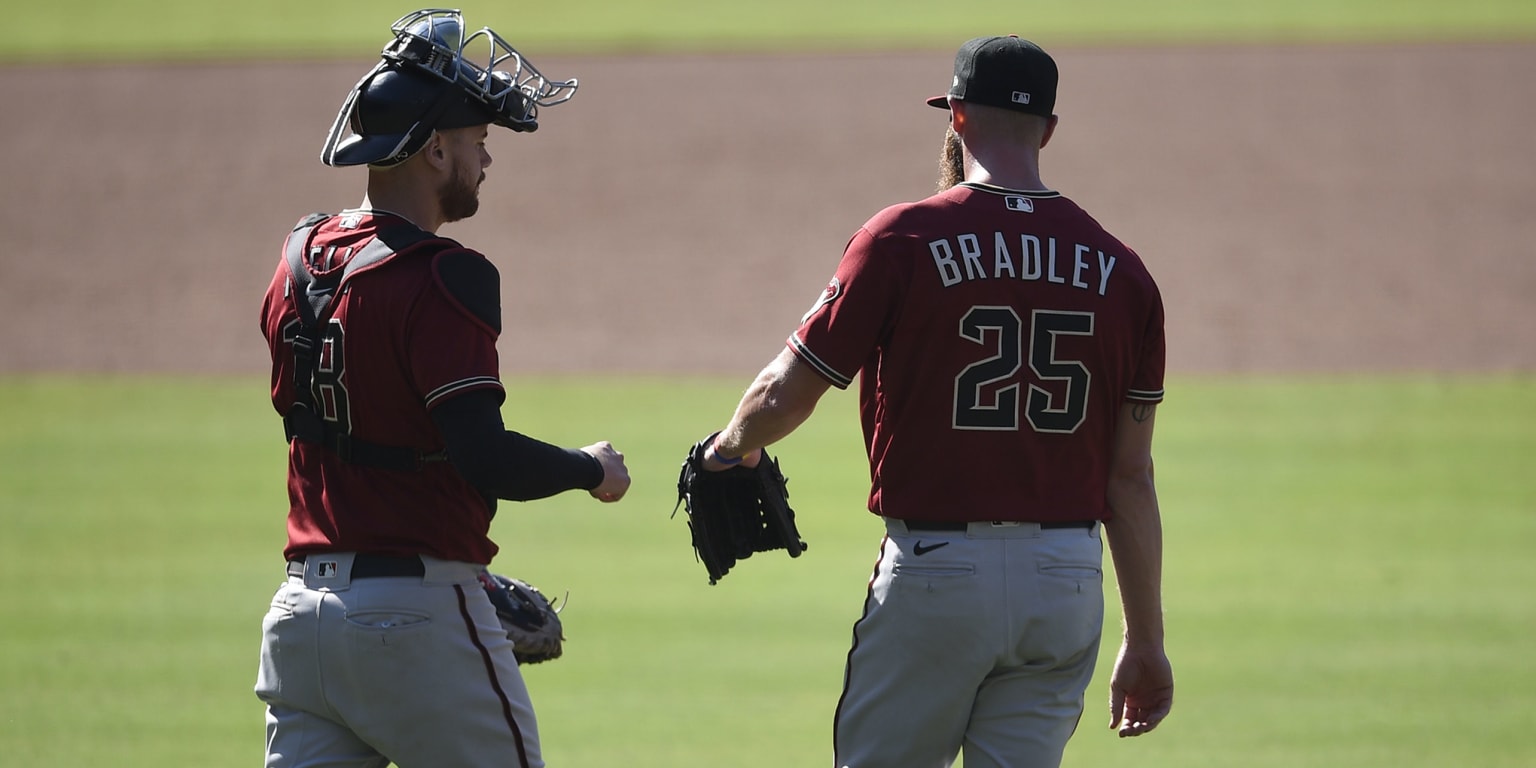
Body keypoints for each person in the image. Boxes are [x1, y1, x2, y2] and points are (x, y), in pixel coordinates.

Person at [696, 35, 1173, 768]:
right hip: (1066, 581)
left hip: (937, 572)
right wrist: (1146, 640)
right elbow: (1130, 478)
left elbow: (785, 393)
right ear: (1048, 130)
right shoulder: (1124, 272)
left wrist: (730, 447)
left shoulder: (901, 238)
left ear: (956, 117)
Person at [253, 10, 629, 768]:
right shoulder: (443, 274)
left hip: (299, 625)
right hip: (414, 619)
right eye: (477, 142)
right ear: (433, 150)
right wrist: (591, 469)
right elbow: (481, 456)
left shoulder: (298, 259)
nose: (486, 159)